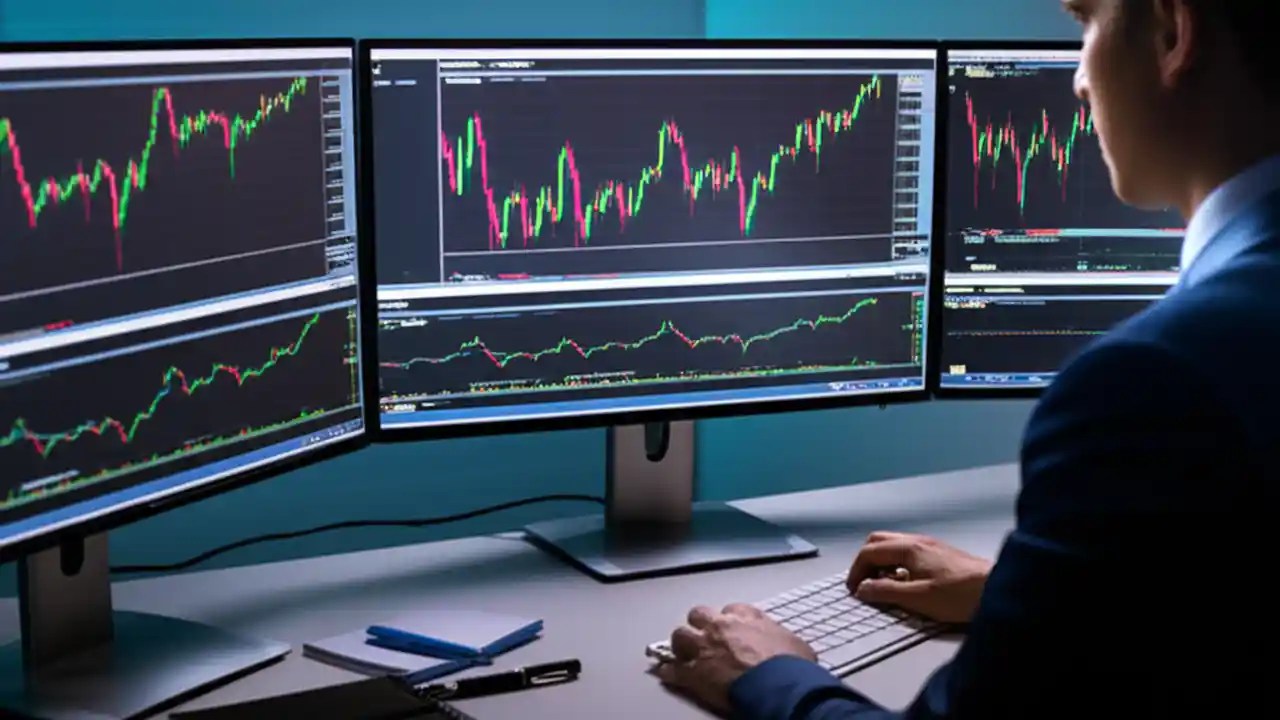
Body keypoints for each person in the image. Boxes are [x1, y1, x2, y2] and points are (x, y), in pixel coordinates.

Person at [656, 1, 1279, 717]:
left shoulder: (1153, 383)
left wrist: (773, 676)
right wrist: (1038, 595)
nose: (1079, 79)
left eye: (1087, 24)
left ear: (1173, 32)